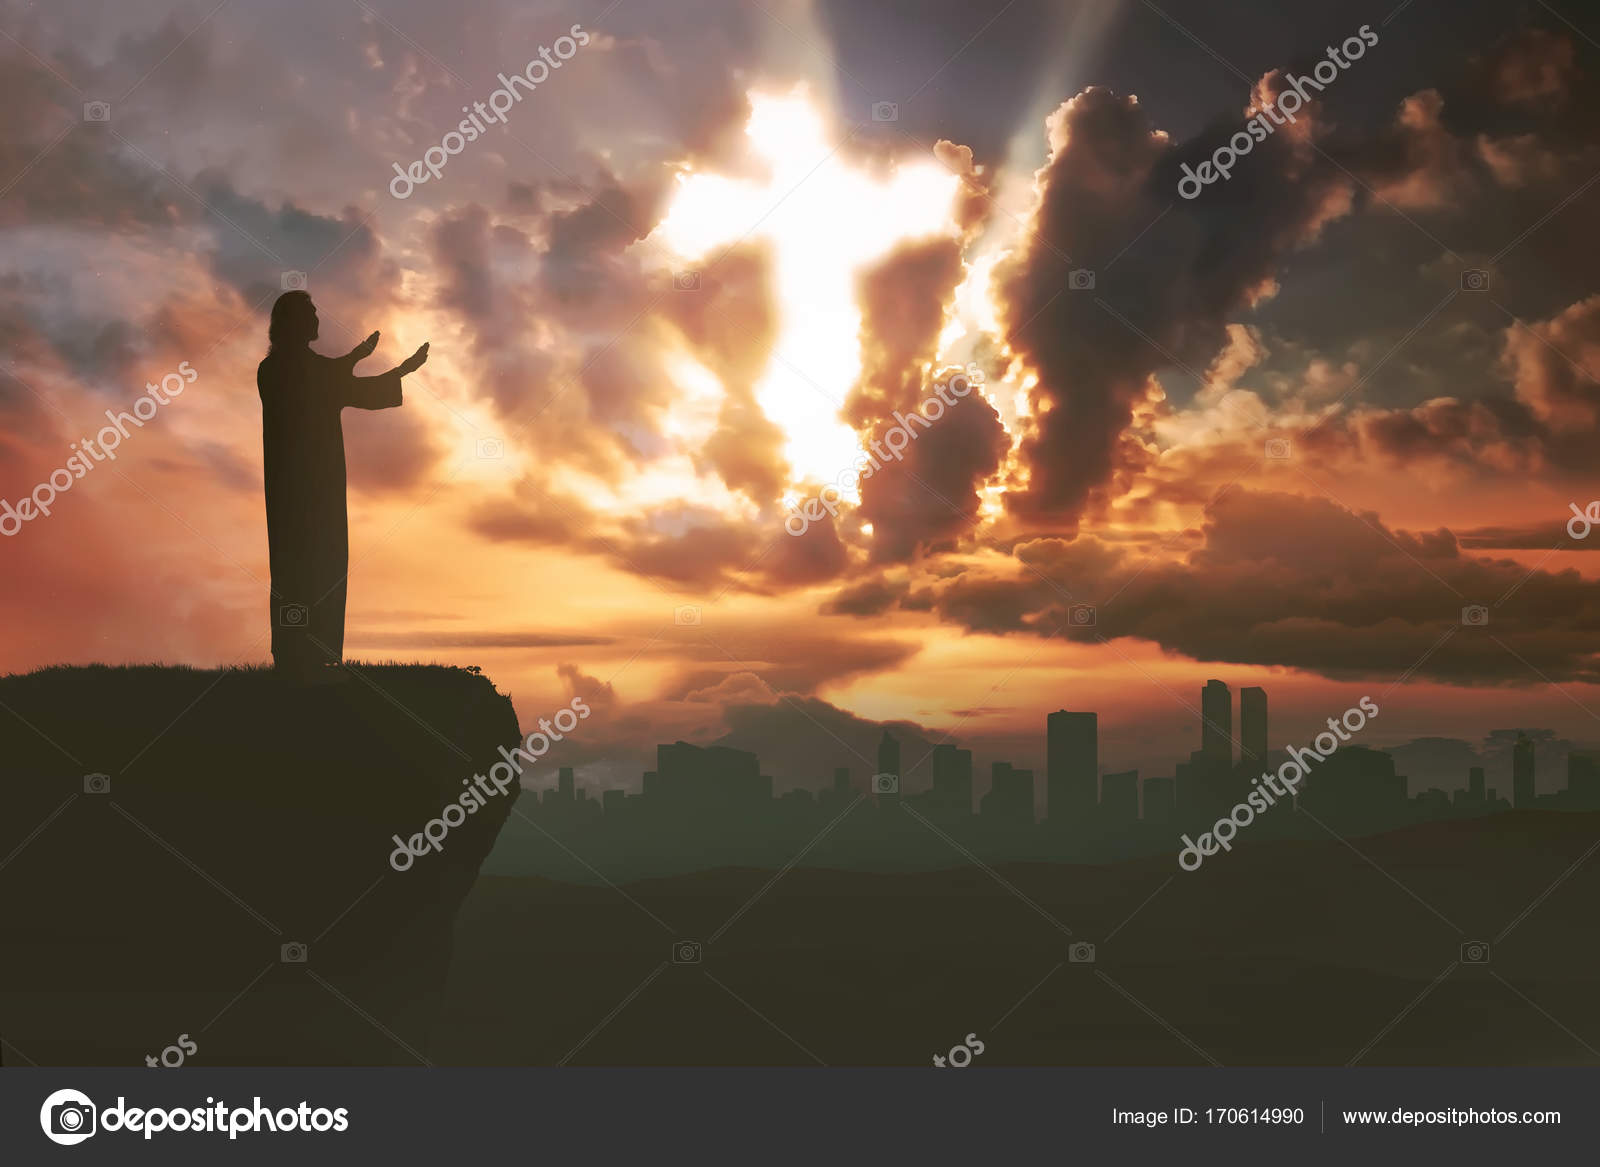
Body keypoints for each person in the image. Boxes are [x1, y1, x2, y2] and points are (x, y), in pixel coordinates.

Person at [258, 291, 428, 683]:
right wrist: (374, 362)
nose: (319, 318)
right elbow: (326, 382)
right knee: (298, 568)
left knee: (326, 563)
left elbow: (336, 382)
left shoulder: (291, 369)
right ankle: (295, 652)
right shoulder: (274, 371)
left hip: (319, 486)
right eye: (312, 313)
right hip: (297, 491)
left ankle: (315, 651)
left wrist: (391, 368)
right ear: (296, 322)